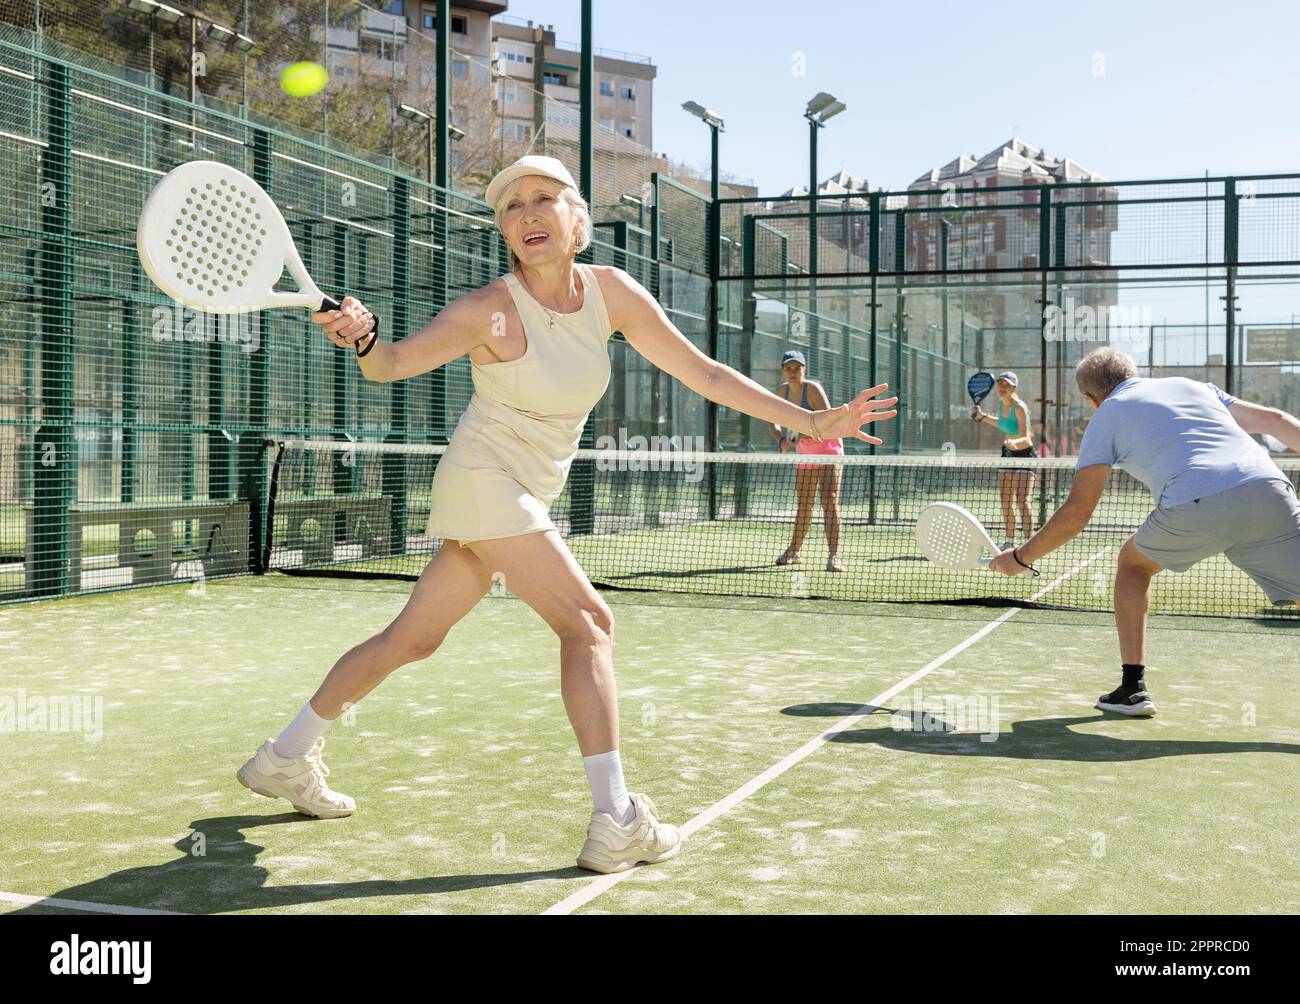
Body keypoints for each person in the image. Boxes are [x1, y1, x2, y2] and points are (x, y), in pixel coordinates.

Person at [236, 155, 898, 873]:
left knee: (411, 641)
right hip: (484, 481)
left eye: (543, 198)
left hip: (521, 491)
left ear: (575, 219)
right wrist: (362, 335)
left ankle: (285, 756)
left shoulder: (610, 294)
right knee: (588, 624)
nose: (526, 213)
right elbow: (390, 364)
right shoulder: (485, 309)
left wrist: (808, 420)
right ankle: (617, 820)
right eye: (511, 206)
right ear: (506, 233)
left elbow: (703, 372)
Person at [990, 347, 1300, 717]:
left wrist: (1021, 557)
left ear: (1090, 400)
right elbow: (1276, 420)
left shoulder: (1105, 416)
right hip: (1270, 489)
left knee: (1133, 565)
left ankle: (1133, 689)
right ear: (1136, 373)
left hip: (1196, 500)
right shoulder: (1193, 386)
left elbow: (1077, 513)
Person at [769, 349, 847, 572]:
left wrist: (800, 435)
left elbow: (828, 422)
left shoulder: (813, 390)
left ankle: (834, 557)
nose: (792, 372)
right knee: (804, 504)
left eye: (797, 368)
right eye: (788, 368)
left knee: (829, 500)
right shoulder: (781, 392)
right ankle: (794, 551)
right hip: (805, 453)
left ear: (805, 370)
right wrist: (781, 439)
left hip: (828, 448)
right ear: (783, 371)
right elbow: (771, 420)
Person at [971, 371, 1035, 550]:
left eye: (1007, 385)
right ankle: (1009, 540)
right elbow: (1003, 423)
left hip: (1024, 456)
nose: (1003, 388)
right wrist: (982, 416)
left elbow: (1027, 438)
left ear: (1014, 387)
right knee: (1005, 501)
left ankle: (1029, 542)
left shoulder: (1020, 407)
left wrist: (1014, 441)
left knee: (1023, 501)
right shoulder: (1001, 404)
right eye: (1000, 384)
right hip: (1007, 455)